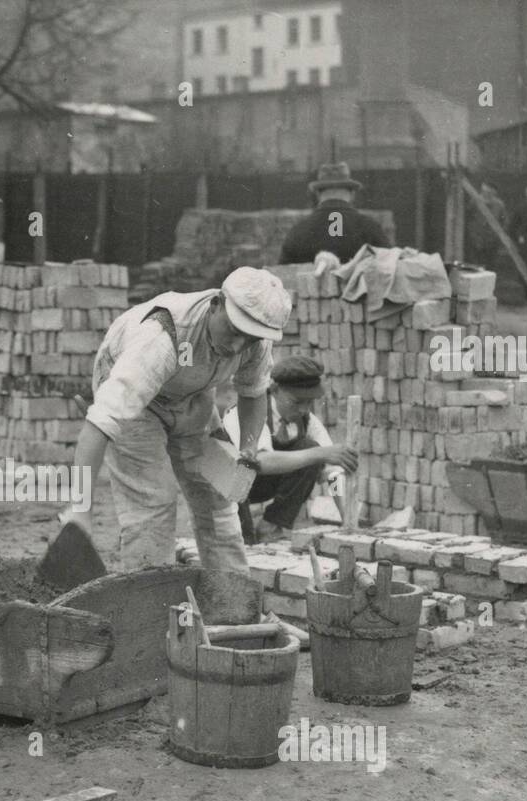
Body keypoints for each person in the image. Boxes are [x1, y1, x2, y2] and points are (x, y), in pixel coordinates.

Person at [62, 267, 292, 571]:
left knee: (222, 496)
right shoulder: (162, 337)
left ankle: (233, 599)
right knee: (153, 502)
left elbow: (253, 391)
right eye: (234, 332)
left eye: (249, 339)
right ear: (217, 304)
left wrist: (248, 450)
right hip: (139, 405)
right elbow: (99, 423)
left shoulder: (255, 339)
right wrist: (80, 510)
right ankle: (150, 601)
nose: (238, 347)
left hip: (193, 396)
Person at [220, 355, 359, 542]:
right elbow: (260, 462)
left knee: (310, 448)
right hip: (228, 485)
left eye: (309, 402)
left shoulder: (307, 421)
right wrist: (319, 454)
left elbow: (333, 473)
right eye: (297, 402)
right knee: (242, 546)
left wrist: (346, 517)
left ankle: (271, 525)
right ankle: (245, 535)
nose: (304, 409)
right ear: (275, 390)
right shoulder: (248, 413)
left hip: (262, 486)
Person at [280, 162, 390, 265]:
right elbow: (390, 268)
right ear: (352, 193)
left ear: (318, 194)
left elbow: (283, 275)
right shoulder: (370, 228)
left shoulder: (298, 231)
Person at [466, 180, 508, 270]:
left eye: (489, 192)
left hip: (492, 242)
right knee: (476, 267)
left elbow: (504, 222)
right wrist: (473, 234)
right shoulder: (474, 201)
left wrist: (498, 236)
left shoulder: (499, 205)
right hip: (476, 240)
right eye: (485, 191)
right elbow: (468, 218)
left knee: (490, 267)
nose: (487, 194)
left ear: (494, 192)